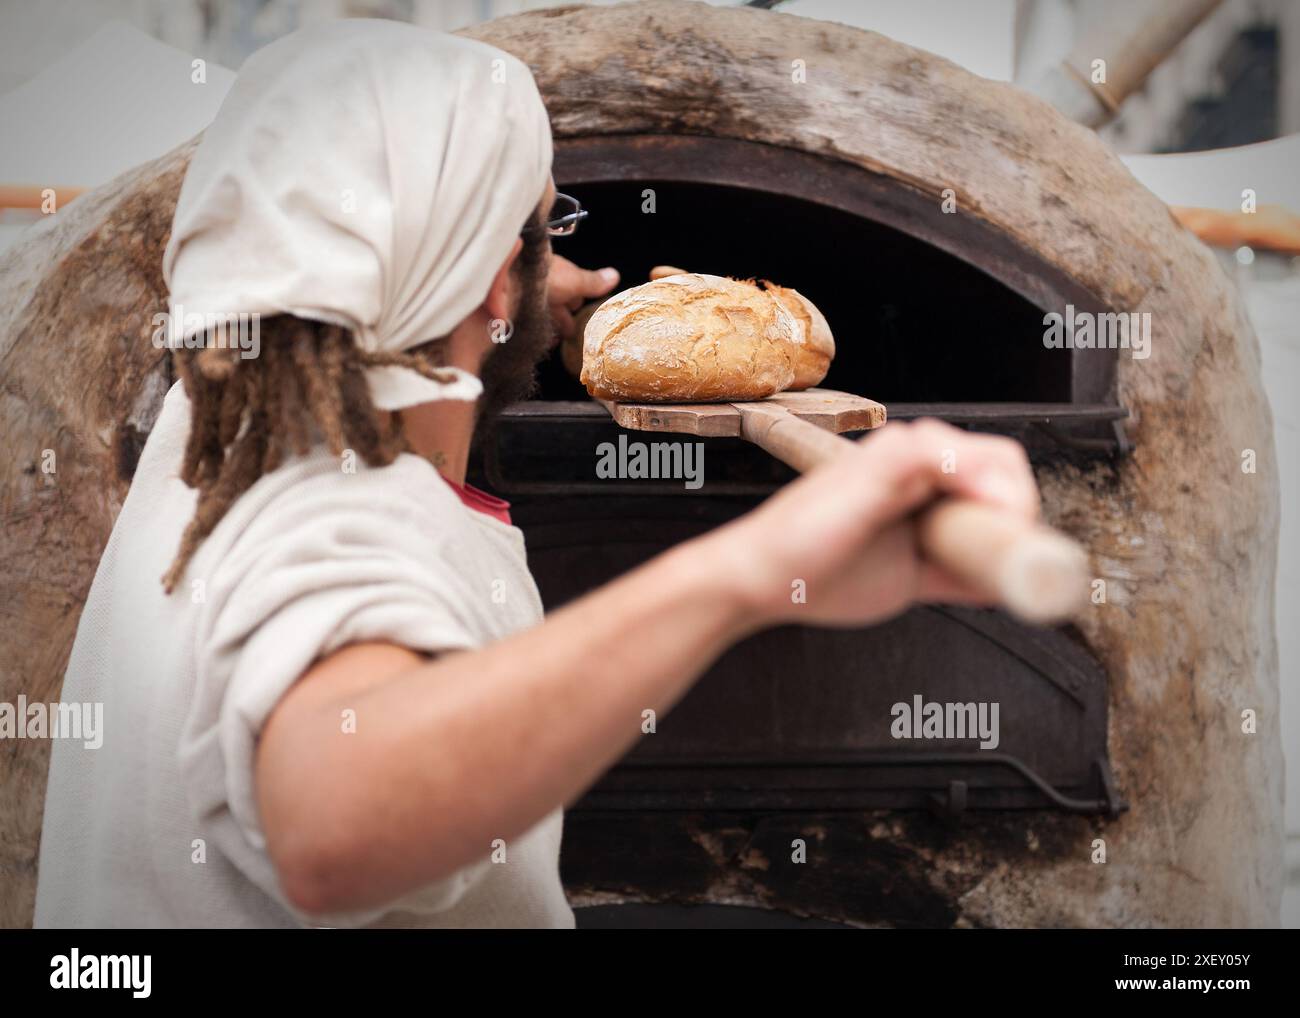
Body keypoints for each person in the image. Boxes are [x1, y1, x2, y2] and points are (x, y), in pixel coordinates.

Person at [34, 20, 1040, 929]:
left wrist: (516, 282)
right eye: (545, 228)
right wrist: (750, 568)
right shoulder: (344, 508)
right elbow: (332, 827)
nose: (560, 259)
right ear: (477, 273)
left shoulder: (218, 428)